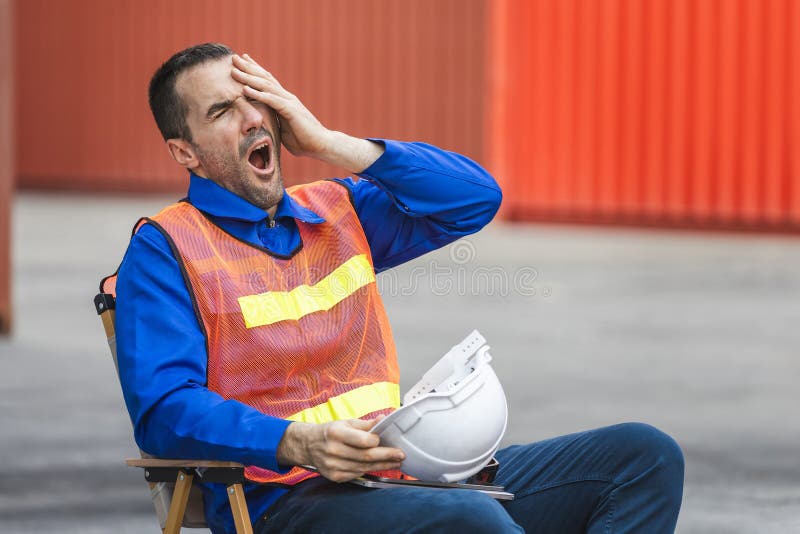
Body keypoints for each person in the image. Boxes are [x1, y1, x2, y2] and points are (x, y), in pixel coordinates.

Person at [113, 43, 684, 533]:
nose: (252, 119)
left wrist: (333, 144)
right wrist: (295, 442)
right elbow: (164, 411)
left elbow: (474, 199)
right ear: (185, 153)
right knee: (473, 524)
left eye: (254, 97)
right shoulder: (166, 248)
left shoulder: (335, 210)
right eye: (222, 111)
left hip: (404, 473)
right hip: (287, 499)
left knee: (644, 457)